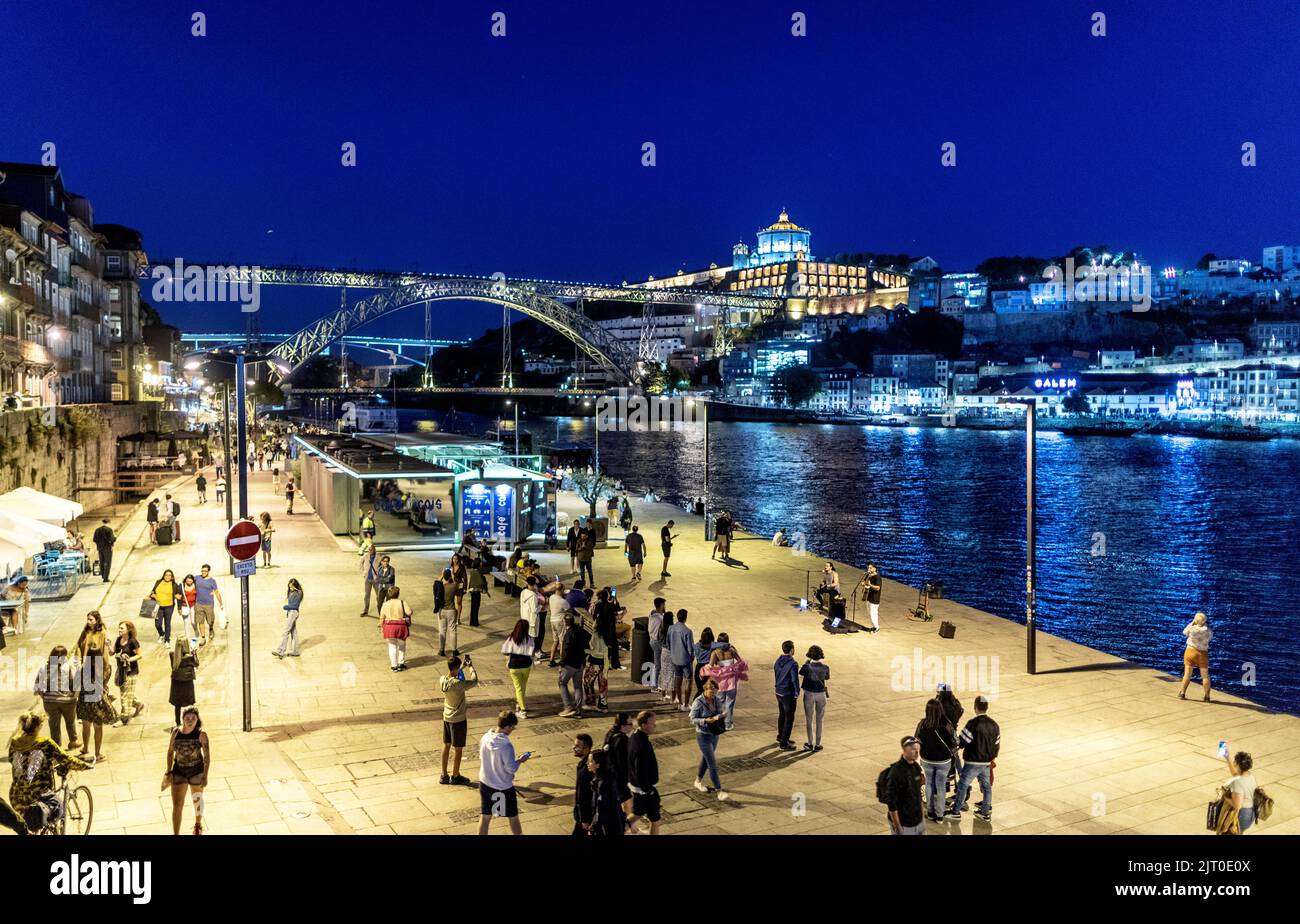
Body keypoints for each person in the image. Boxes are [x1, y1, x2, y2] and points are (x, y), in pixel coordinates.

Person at [8, 712, 91, 833]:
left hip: (17, 795)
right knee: (58, 808)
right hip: (39, 794)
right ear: (37, 727)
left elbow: (14, 761)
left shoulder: (14, 743)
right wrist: (85, 765)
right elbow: (66, 759)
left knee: (28, 825)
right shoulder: (45, 743)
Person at [947, 694, 1000, 823]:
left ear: (975, 707)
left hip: (972, 761)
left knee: (963, 786)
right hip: (986, 762)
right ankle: (985, 812)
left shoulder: (972, 724)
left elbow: (963, 741)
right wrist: (990, 757)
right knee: (987, 787)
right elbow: (997, 745)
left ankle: (955, 811)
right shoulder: (994, 725)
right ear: (987, 707)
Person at [477, 710, 530, 835]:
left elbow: (481, 757)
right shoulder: (506, 746)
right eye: (512, 727)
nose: (512, 730)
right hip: (502, 787)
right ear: (507, 726)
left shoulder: (485, 737)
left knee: (485, 816)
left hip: (485, 783)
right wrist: (520, 760)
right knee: (513, 817)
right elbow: (511, 768)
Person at [74, 612, 114, 764]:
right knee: (97, 725)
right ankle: (96, 752)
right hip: (95, 697)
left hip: (85, 698)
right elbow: (79, 646)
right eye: (87, 619)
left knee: (86, 723)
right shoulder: (85, 632)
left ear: (97, 620)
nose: (88, 621)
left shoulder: (102, 632)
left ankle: (87, 749)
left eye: (91, 619)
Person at [165, 706, 211, 835]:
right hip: (179, 772)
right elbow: (169, 753)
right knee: (177, 806)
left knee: (197, 799)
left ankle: (198, 824)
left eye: (193, 718)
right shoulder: (175, 733)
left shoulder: (202, 734)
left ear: (197, 720)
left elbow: (207, 757)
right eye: (187, 718)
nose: (190, 721)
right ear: (183, 719)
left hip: (197, 772)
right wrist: (168, 771)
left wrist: (205, 775)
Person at [915, 698, 958, 823]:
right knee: (940, 786)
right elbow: (956, 741)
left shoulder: (922, 724)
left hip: (927, 760)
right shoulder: (947, 724)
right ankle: (939, 815)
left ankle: (930, 812)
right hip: (943, 761)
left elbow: (916, 740)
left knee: (929, 784)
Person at [439, 655, 477, 785]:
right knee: (458, 749)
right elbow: (474, 681)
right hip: (458, 719)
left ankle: (444, 775)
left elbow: (452, 674)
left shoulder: (443, 680)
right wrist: (471, 667)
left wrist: (462, 667)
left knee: (446, 745)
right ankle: (455, 775)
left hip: (447, 717)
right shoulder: (459, 684)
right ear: (456, 668)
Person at [33, 646, 79, 749]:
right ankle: (73, 741)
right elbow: (76, 684)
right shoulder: (69, 666)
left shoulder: (45, 668)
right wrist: (75, 696)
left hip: (50, 702)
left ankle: (56, 746)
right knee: (70, 722)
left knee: (54, 725)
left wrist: (44, 696)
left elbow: (37, 686)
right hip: (68, 701)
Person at [690, 679, 729, 800]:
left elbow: (720, 711)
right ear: (705, 690)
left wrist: (722, 715)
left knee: (706, 759)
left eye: (714, 692)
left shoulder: (716, 699)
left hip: (714, 734)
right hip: (703, 735)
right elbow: (692, 719)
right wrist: (705, 720)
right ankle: (719, 791)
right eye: (711, 692)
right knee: (712, 764)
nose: (713, 695)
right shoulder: (698, 702)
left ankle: (697, 781)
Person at [627, 710, 661, 834]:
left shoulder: (634, 737)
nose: (655, 725)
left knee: (638, 813)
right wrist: (649, 790)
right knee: (655, 820)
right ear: (644, 725)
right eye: (653, 723)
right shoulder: (642, 744)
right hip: (645, 789)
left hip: (638, 787)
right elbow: (640, 769)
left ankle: (619, 828)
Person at [702, 644, 749, 731]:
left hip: (721, 680)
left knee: (718, 701)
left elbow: (710, 667)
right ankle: (728, 724)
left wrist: (704, 672)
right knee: (729, 703)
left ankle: (714, 721)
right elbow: (741, 662)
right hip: (731, 680)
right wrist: (734, 668)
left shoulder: (715, 652)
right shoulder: (732, 650)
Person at [886, 736, 926, 835]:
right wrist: (897, 825)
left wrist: (922, 815)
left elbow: (919, 794)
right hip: (904, 823)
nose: (917, 752)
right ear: (905, 750)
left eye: (918, 749)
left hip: (918, 820)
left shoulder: (916, 768)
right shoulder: (896, 773)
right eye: (913, 749)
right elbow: (891, 802)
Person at [604, 712, 634, 822]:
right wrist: (629, 779)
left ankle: (630, 827)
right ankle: (628, 826)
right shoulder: (622, 740)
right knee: (628, 802)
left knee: (625, 801)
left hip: (611, 775)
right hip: (618, 778)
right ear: (623, 726)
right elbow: (623, 763)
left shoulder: (611, 732)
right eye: (630, 723)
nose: (632, 725)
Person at [112, 621, 143, 725]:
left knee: (125, 696)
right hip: (121, 671)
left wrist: (128, 659)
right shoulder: (118, 640)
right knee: (126, 693)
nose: (120, 630)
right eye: (119, 628)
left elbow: (139, 655)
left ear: (128, 630)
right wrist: (108, 645)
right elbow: (112, 652)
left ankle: (124, 718)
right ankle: (138, 704)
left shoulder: (133, 642)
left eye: (122, 628)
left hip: (131, 672)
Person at [800, 645, 830, 752]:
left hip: (809, 694)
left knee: (809, 719)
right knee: (819, 719)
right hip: (821, 695)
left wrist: (806, 663)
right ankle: (818, 744)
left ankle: (809, 743)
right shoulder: (825, 667)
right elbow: (826, 677)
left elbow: (801, 672)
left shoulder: (806, 667)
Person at [558, 613, 589, 717]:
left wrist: (561, 663)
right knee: (578, 687)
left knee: (562, 683)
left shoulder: (568, 634)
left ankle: (568, 707)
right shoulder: (580, 631)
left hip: (570, 664)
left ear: (565, 622)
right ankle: (578, 710)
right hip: (580, 663)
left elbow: (566, 650)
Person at [502, 619, 534, 719]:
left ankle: (522, 710)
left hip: (514, 666)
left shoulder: (511, 638)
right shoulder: (530, 639)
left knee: (518, 687)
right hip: (526, 665)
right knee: (522, 686)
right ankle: (519, 705)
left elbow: (504, 650)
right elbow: (532, 653)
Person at [588, 750, 625, 836]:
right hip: (613, 824)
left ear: (598, 765)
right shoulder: (607, 777)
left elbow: (601, 809)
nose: (588, 763)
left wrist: (593, 827)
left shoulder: (603, 783)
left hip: (608, 827)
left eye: (590, 761)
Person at [1221, 750, 1258, 834]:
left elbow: (1237, 805)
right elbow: (1236, 775)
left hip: (1242, 815)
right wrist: (1227, 757)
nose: (1233, 761)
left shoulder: (1237, 782)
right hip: (1250, 814)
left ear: (1237, 764)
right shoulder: (1249, 775)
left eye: (1234, 760)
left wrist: (1225, 797)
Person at [1180, 611, 1213, 702]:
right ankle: (1207, 696)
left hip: (1190, 651)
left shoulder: (1191, 628)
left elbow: (1184, 632)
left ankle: (1182, 693)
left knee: (1187, 674)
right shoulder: (1208, 631)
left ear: (1195, 620)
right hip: (1202, 654)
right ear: (1204, 621)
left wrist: (1193, 623)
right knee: (1205, 676)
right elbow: (1210, 639)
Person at [773, 640, 800, 751]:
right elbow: (794, 679)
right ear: (792, 650)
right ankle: (784, 743)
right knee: (789, 717)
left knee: (782, 714)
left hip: (778, 691)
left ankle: (781, 736)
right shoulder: (793, 664)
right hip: (787, 693)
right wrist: (797, 692)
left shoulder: (777, 661)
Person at [667, 608, 695, 710]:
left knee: (677, 680)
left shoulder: (670, 628)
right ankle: (686, 705)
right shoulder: (688, 631)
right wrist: (692, 657)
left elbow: (668, 643)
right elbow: (690, 649)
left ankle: (679, 702)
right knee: (689, 681)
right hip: (685, 660)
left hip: (675, 659)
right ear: (685, 618)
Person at [379, 585, 412, 672]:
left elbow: (381, 617)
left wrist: (381, 626)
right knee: (401, 645)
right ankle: (401, 663)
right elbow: (409, 612)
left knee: (392, 646)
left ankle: (394, 665)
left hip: (389, 627)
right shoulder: (402, 602)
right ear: (398, 594)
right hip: (401, 626)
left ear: (389, 594)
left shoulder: (385, 604)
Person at [169, 636, 199, 730]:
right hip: (187, 683)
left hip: (176, 683)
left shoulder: (172, 655)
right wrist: (194, 653)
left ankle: (178, 723)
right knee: (190, 704)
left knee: (177, 705)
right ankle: (192, 722)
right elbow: (196, 664)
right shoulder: (189, 657)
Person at [272, 578, 304, 659]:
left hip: (293, 613)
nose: (290, 589)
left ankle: (280, 651)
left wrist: (285, 607)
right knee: (293, 632)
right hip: (291, 613)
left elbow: (295, 606)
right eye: (289, 587)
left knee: (285, 632)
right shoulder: (293, 592)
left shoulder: (298, 593)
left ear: (296, 586)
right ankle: (295, 651)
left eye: (292, 587)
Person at [193, 564, 223, 646]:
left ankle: (211, 628)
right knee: (200, 621)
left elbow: (217, 592)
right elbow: (187, 581)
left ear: (208, 571)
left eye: (205, 571)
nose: (203, 572)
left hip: (209, 604)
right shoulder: (197, 578)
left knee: (210, 620)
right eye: (202, 571)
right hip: (198, 603)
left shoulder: (212, 581)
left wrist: (221, 603)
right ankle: (203, 638)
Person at [150, 569, 182, 644]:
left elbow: (179, 596)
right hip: (158, 606)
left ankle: (167, 640)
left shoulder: (174, 585)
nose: (168, 576)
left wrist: (179, 608)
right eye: (166, 575)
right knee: (157, 624)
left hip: (169, 607)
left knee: (167, 623)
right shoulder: (158, 582)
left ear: (172, 577)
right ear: (163, 575)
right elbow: (153, 591)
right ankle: (162, 634)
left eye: (169, 575)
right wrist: (152, 595)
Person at [571, 734, 594, 834]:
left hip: (586, 815)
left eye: (577, 746)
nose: (573, 748)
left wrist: (584, 819)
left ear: (586, 749)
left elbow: (584, 796)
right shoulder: (584, 764)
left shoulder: (586, 770)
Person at [436, 568, 459, 657]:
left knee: (442, 631)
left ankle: (442, 650)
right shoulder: (453, 586)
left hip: (442, 610)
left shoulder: (440, 586)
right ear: (450, 576)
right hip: (451, 610)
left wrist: (442, 574)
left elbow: (437, 581)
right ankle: (454, 650)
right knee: (453, 630)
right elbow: (457, 582)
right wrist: (453, 575)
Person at [655, 610, 677, 701]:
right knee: (673, 674)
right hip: (671, 652)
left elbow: (658, 638)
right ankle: (673, 698)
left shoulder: (661, 627)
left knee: (664, 673)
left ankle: (663, 695)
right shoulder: (673, 628)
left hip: (663, 652)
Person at [646, 598, 668, 689]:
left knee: (657, 664)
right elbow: (661, 633)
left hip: (651, 641)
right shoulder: (661, 619)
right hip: (657, 642)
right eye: (664, 605)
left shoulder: (652, 614)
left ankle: (654, 683)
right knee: (658, 665)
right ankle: (654, 686)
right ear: (662, 605)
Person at [546, 581, 569, 666]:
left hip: (552, 620)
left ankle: (551, 660)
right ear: (562, 590)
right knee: (562, 641)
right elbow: (569, 610)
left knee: (555, 641)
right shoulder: (563, 601)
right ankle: (562, 660)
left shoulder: (552, 597)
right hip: (560, 621)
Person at [693, 627, 715, 700]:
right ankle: (695, 703)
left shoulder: (697, 645)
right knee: (704, 690)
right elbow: (723, 645)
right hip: (706, 669)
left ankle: (698, 705)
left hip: (698, 668)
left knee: (700, 689)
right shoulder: (712, 646)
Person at [359, 544, 380, 618]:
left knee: (378, 596)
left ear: (375, 550)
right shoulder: (366, 556)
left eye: (371, 549)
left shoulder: (378, 557)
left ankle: (380, 611)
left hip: (376, 580)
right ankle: (365, 610)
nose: (370, 551)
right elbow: (360, 562)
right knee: (366, 595)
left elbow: (382, 566)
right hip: (367, 579)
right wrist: (363, 572)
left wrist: (379, 574)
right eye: (369, 549)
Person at [466, 560, 489, 627]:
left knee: (473, 607)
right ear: (478, 565)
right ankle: (475, 622)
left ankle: (472, 621)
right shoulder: (478, 572)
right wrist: (485, 584)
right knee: (476, 607)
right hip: (477, 592)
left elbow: (472, 581)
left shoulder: (472, 572)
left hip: (472, 591)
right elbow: (481, 582)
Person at [92, 518, 116, 583]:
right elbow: (111, 539)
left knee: (102, 562)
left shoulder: (97, 530)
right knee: (107, 563)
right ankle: (106, 578)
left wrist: (98, 545)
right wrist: (114, 539)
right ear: (109, 523)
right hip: (107, 548)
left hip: (100, 548)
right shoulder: (109, 530)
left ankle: (103, 575)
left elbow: (94, 539)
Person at [860, 564, 882, 632]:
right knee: (870, 613)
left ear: (875, 569)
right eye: (868, 568)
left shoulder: (877, 577)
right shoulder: (868, 575)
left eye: (871, 568)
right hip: (868, 596)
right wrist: (863, 584)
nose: (869, 569)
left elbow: (878, 588)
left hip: (874, 598)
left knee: (873, 613)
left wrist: (870, 585)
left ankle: (877, 627)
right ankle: (874, 626)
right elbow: (863, 582)